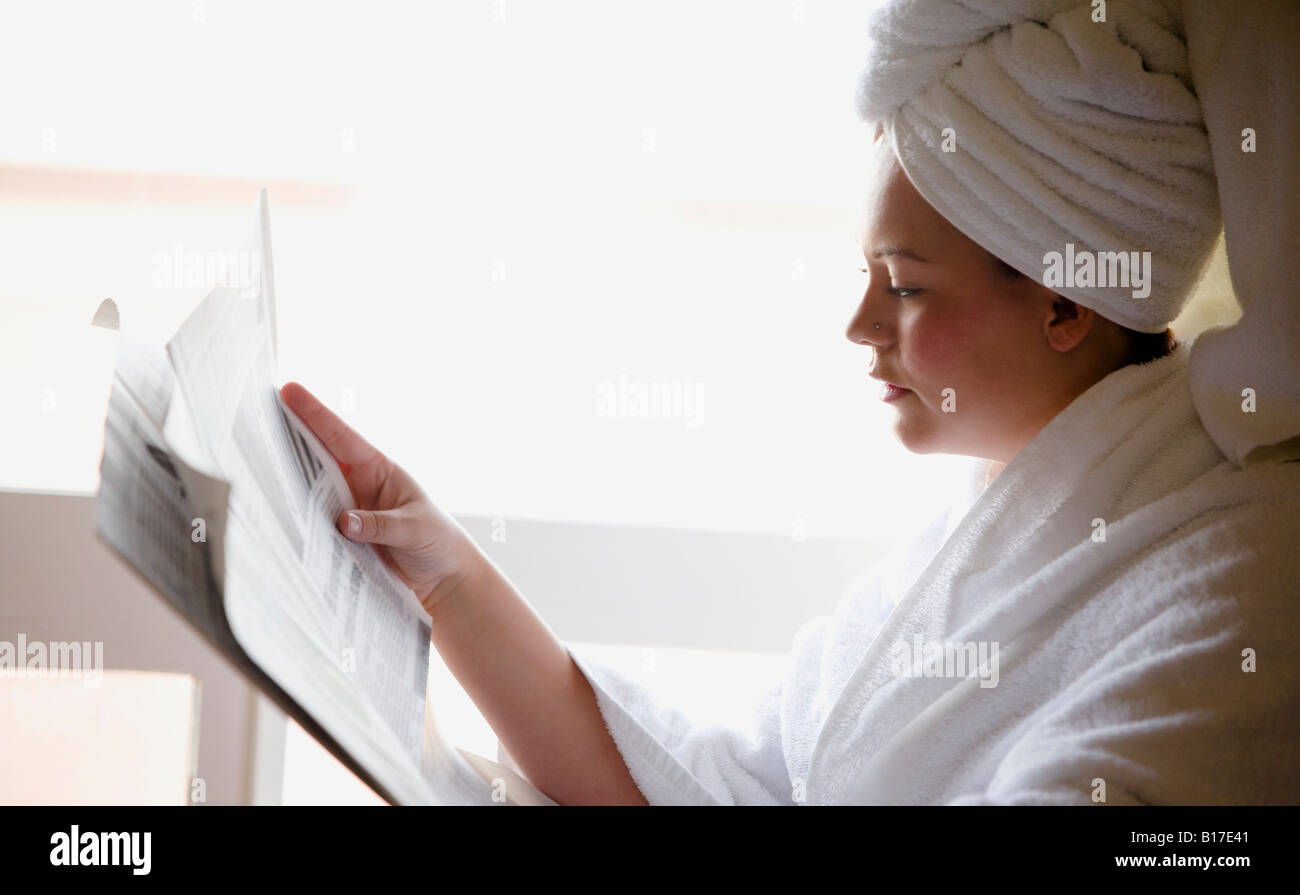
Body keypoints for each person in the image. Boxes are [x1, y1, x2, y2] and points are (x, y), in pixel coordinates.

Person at [281, 0, 1300, 805]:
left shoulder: (1242, 571)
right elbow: (717, 785)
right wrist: (443, 571)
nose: (860, 324)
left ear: (1065, 302)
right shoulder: (998, 522)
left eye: (903, 284)